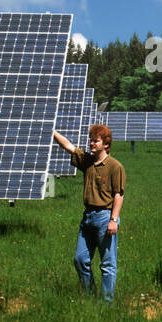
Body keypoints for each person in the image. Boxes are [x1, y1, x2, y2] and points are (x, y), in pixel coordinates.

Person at [52, 123, 125, 302]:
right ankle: (90, 295)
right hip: (88, 217)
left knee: (107, 264)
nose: (92, 144)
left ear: (106, 144)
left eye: (96, 141)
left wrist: (113, 220)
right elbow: (68, 146)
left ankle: (106, 303)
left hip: (105, 217)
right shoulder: (87, 162)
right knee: (80, 259)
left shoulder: (115, 166)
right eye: (91, 141)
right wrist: (51, 130)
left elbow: (119, 194)